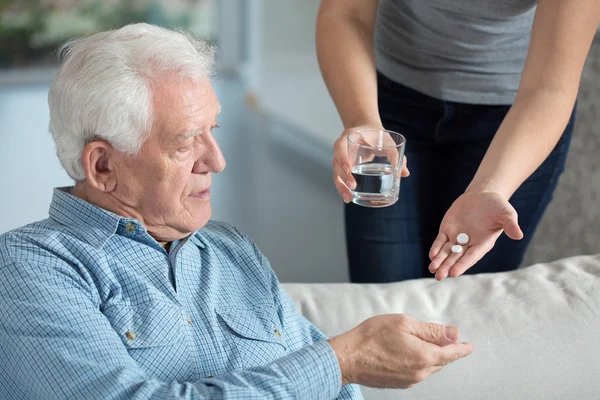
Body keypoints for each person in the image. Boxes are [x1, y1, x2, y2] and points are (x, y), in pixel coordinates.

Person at [0, 24, 473, 400]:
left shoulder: (230, 250)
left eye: (214, 130)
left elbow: (334, 389)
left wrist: (340, 368)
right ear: (103, 166)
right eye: (187, 142)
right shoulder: (30, 267)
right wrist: (341, 360)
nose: (217, 161)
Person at [317, 0, 600, 283]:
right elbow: (346, 13)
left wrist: (490, 188)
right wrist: (362, 120)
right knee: (383, 290)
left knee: (472, 293)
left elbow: (549, 88)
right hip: (390, 100)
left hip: (516, 122)